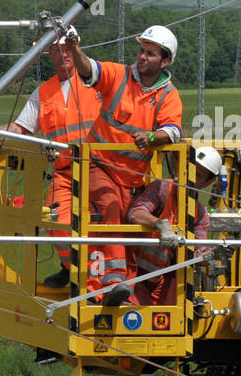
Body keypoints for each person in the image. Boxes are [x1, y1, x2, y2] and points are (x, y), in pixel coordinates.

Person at [63, 25, 184, 305]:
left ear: (164, 61)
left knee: (127, 227)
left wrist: (153, 137)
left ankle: (129, 289)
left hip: (131, 179)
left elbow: (173, 131)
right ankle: (116, 282)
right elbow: (89, 70)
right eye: (142, 51)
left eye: (150, 54)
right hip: (97, 163)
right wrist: (74, 49)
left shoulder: (168, 95)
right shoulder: (119, 76)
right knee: (110, 211)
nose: (142, 57)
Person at [8, 26, 102, 290]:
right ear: (48, 52)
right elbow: (21, 129)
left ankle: (95, 282)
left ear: (76, 45)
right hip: (65, 173)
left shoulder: (97, 83)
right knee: (57, 219)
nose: (63, 54)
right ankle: (71, 269)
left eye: (67, 47)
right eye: (56, 49)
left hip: (102, 169)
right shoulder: (43, 93)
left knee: (107, 223)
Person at [127, 145, 221, 306]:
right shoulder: (162, 188)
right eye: (189, 169)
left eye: (197, 175)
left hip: (163, 277)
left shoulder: (199, 214)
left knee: (170, 322)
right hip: (135, 273)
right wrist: (159, 224)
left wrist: (213, 254)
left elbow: (197, 250)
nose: (189, 176)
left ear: (208, 182)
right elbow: (135, 213)